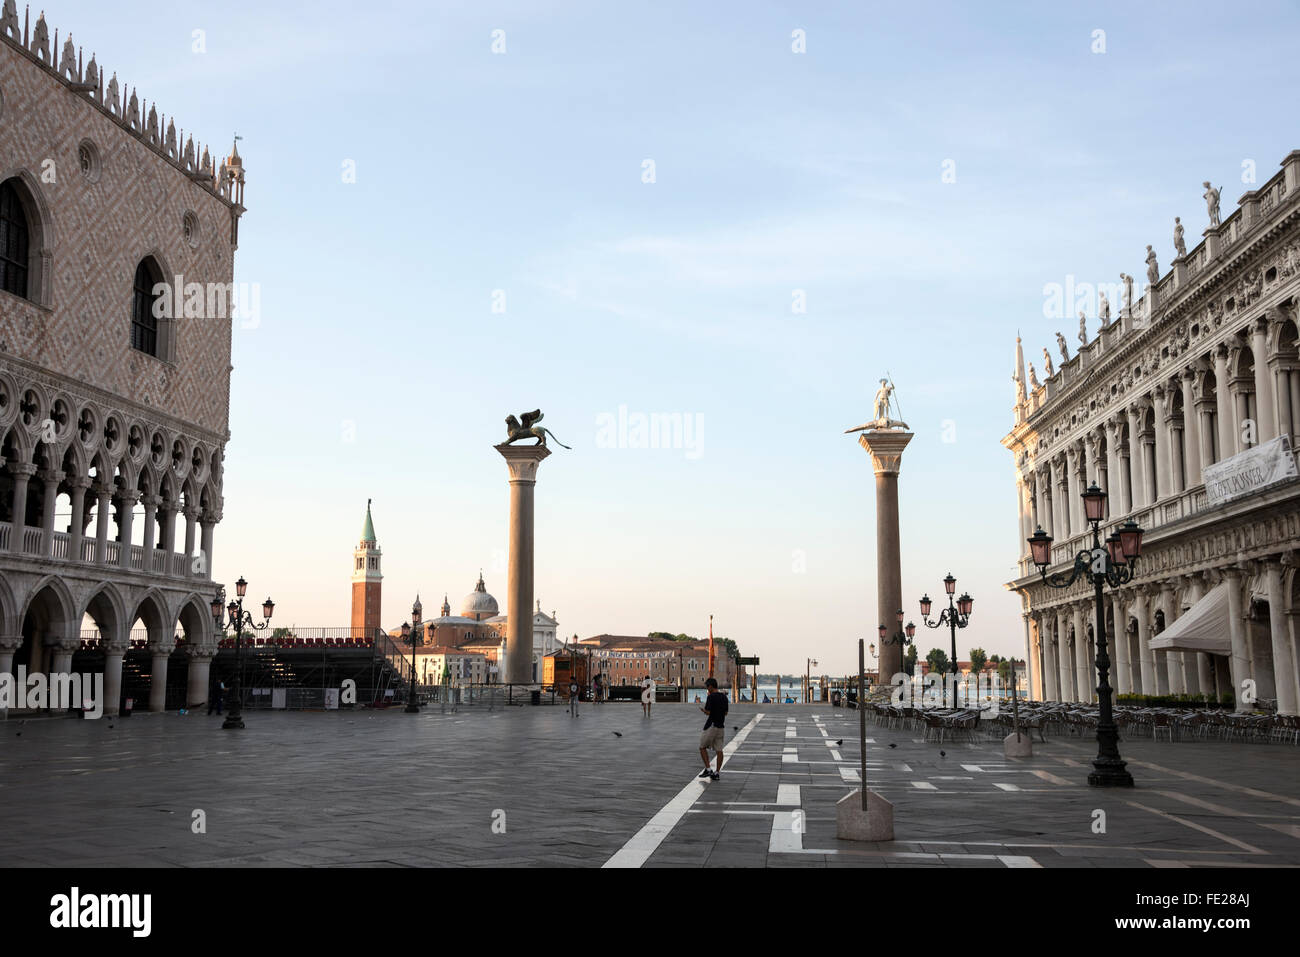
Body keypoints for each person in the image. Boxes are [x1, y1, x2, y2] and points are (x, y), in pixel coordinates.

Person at [698, 678, 729, 780]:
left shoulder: (711, 697)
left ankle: (708, 769)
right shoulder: (724, 697)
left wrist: (703, 710)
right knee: (719, 750)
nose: (707, 688)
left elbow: (708, 712)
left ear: (711, 686)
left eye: (707, 686)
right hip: (721, 727)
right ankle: (717, 773)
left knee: (702, 747)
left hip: (711, 726)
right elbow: (726, 713)